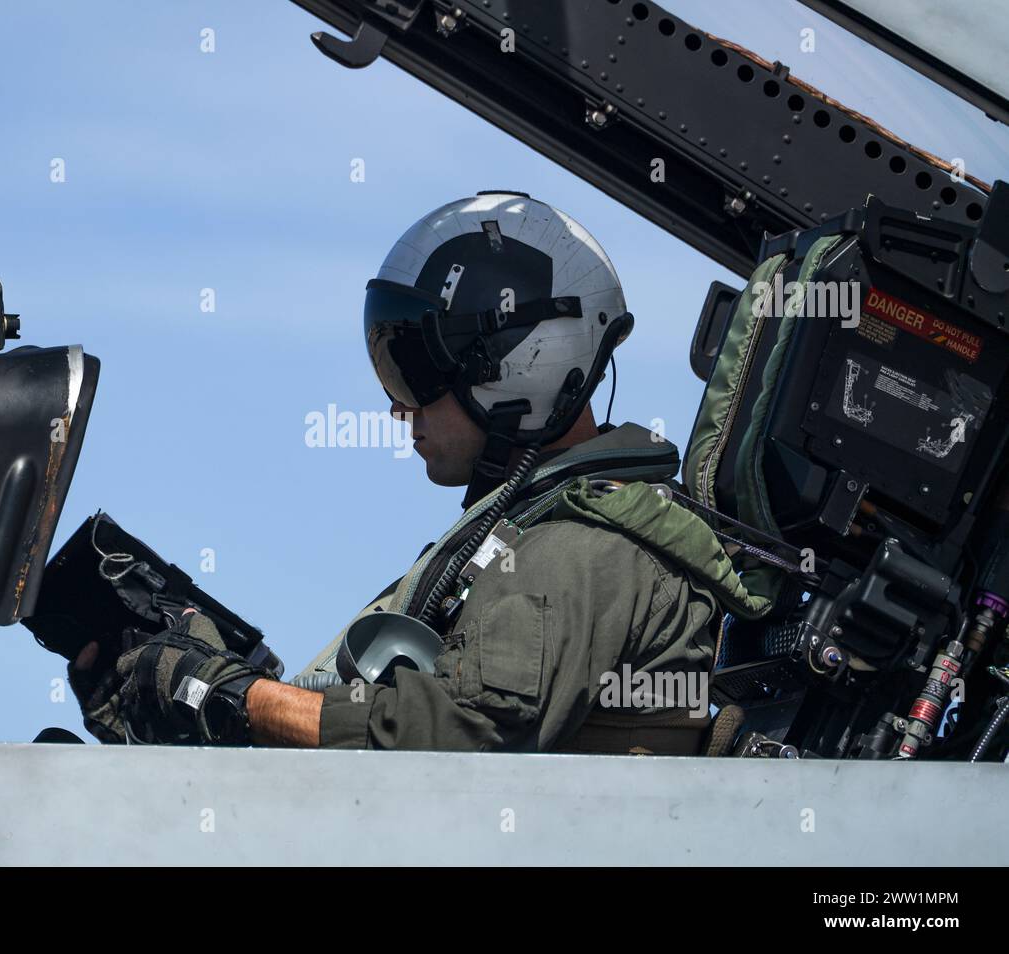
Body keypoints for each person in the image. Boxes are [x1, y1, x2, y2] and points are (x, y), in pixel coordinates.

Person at [71, 192, 762, 753]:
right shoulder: (522, 534)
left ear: (523, 363)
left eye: (417, 371)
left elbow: (459, 734)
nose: (401, 409)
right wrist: (174, 703)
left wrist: (230, 697)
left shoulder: (581, 547)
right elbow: (392, 728)